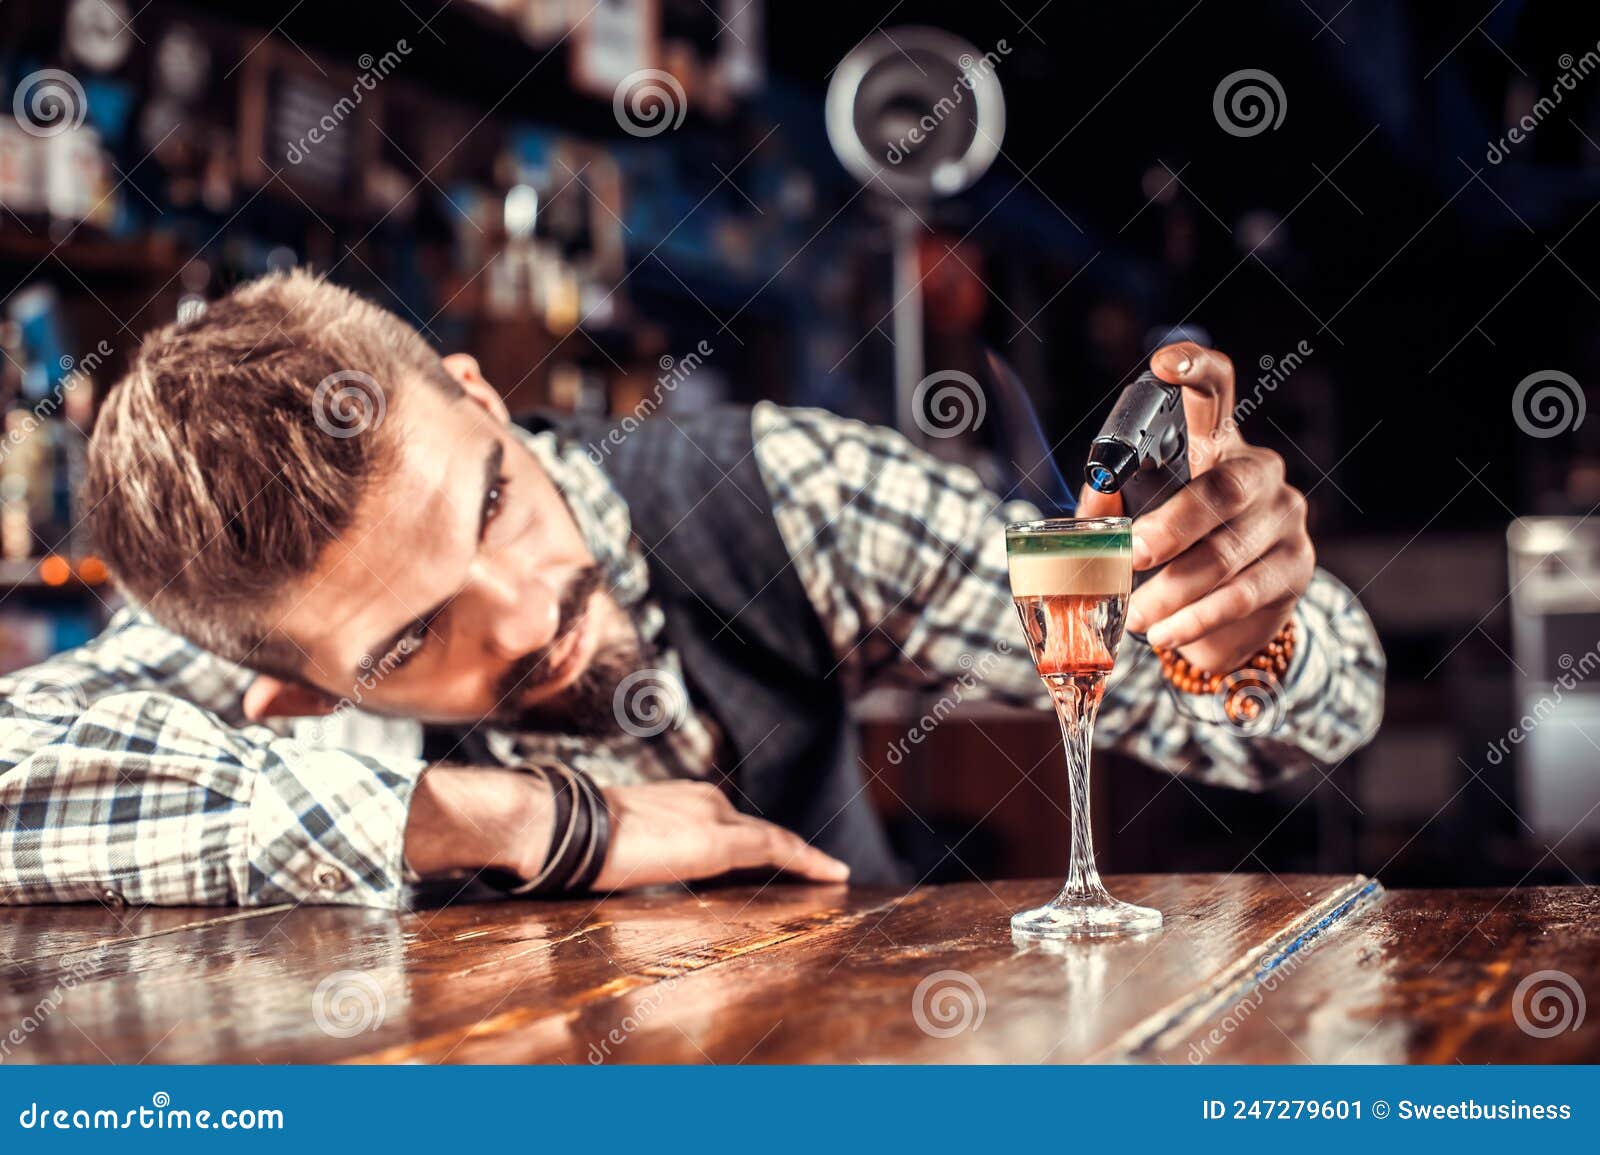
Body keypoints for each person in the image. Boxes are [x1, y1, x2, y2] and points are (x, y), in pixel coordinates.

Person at [0, 271, 1383, 908]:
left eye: (494, 503)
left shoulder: (794, 495)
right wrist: (540, 821)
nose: (527, 612)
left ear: (481, 398)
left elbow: (1319, 725)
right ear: (297, 690)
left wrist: (1241, 632)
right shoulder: (252, 631)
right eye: (417, 636)